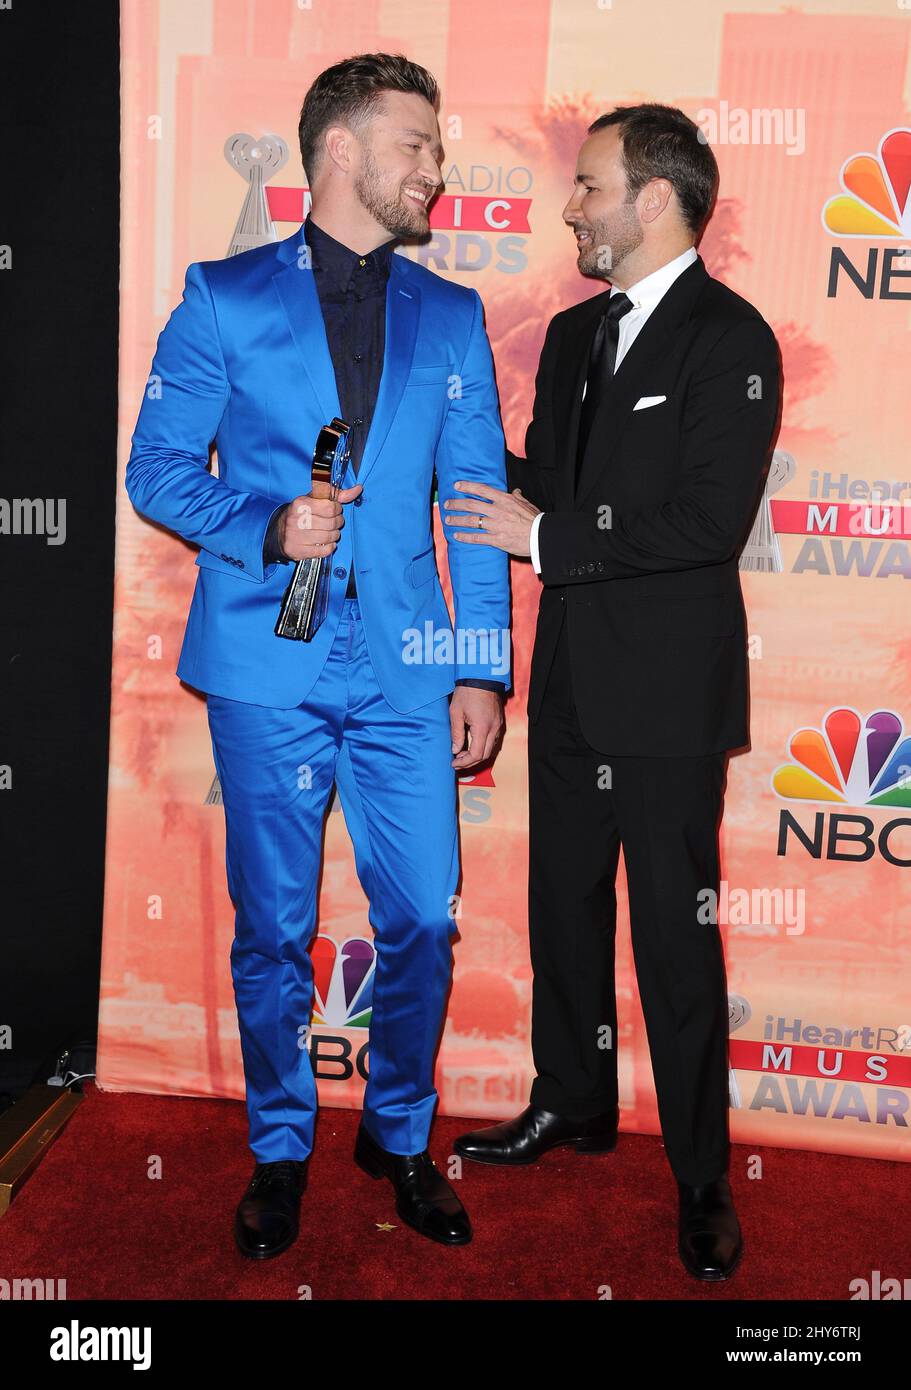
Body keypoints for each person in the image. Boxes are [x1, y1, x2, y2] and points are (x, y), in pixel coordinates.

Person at [126, 52, 510, 1259]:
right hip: (266, 666)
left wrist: (479, 665)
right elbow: (156, 470)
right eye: (415, 146)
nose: (434, 170)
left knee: (421, 921)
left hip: (405, 672)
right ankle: (280, 1146)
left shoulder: (450, 315)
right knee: (274, 926)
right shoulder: (223, 295)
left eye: (435, 150)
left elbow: (473, 502)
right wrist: (262, 523)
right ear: (339, 150)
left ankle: (397, 1133)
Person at [443, 103, 781, 1281]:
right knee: (562, 914)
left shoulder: (731, 339)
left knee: (675, 949)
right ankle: (572, 1101)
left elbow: (703, 522)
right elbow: (548, 483)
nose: (569, 208)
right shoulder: (579, 335)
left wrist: (544, 537)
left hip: (669, 699)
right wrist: (461, 458)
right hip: (573, 682)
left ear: (653, 198)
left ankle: (699, 1177)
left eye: (587, 187)